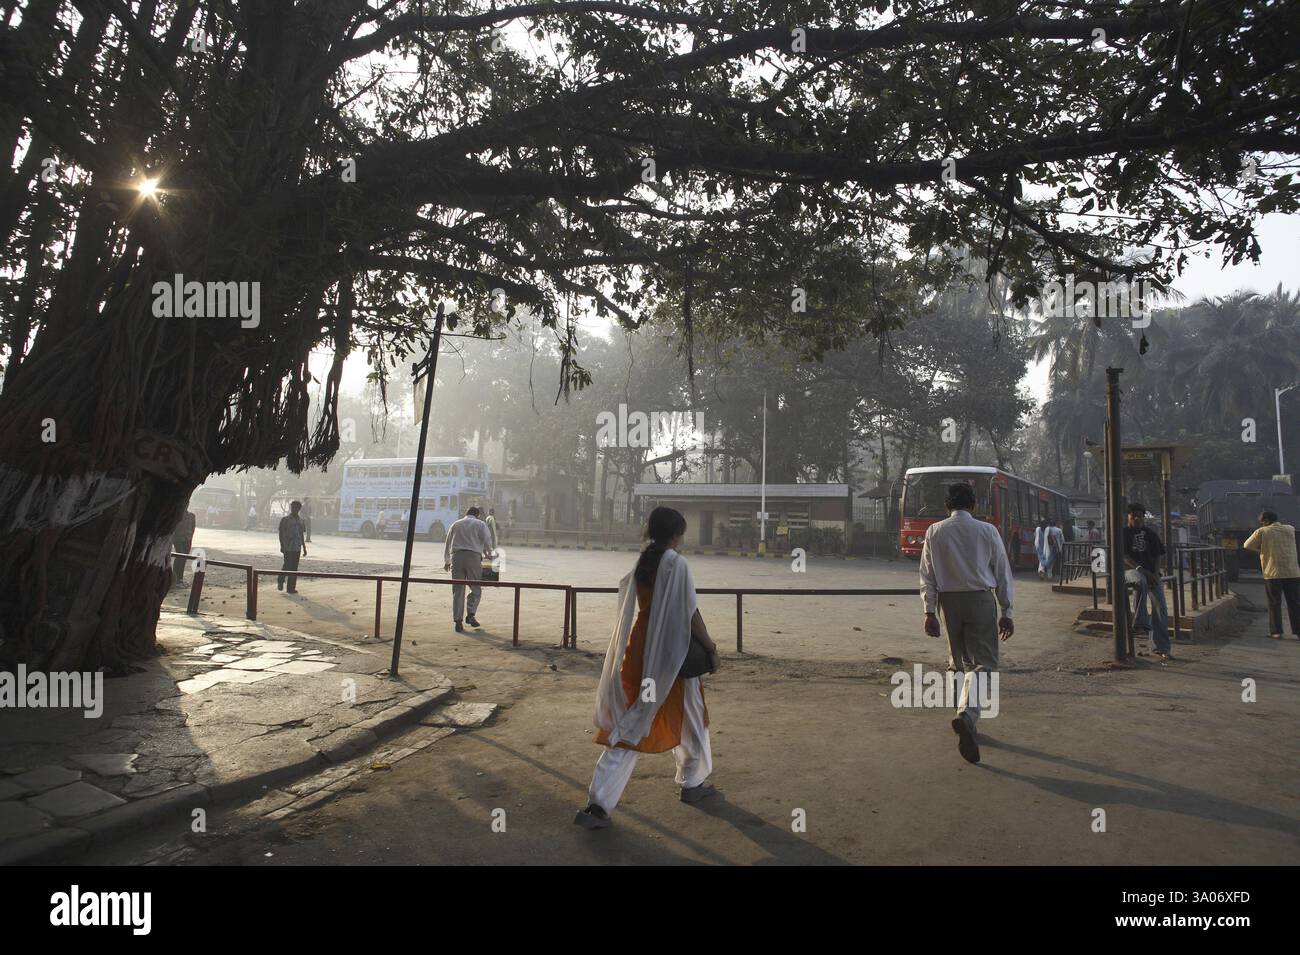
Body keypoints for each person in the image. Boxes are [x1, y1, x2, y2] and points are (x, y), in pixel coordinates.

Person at [575, 506, 721, 829]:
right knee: (693, 717)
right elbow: (690, 614)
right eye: (681, 533)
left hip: (641, 652)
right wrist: (710, 648)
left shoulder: (643, 562)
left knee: (634, 720)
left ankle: (598, 804)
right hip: (671, 653)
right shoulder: (677, 565)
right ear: (675, 535)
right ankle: (693, 782)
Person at [919, 482, 1014, 764]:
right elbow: (1002, 571)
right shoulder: (987, 531)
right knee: (983, 664)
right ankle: (968, 715)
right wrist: (1007, 610)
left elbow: (927, 574)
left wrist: (929, 611)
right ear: (973, 505)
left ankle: (961, 714)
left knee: (956, 662)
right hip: (980, 600)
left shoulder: (934, 531)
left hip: (949, 603)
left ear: (947, 505)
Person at [1123, 503, 1172, 660]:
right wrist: (1142, 571)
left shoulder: (1150, 533)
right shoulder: (1123, 533)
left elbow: (1158, 555)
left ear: (1143, 518)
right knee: (1140, 581)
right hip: (1130, 571)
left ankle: (1161, 647)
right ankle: (1140, 622)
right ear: (1128, 516)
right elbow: (1124, 557)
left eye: (1140, 516)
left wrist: (1155, 575)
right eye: (1133, 515)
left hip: (1151, 574)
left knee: (1161, 609)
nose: (1137, 518)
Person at [1243, 510, 1300, 640]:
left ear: (1266, 521)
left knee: (1274, 603)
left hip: (1273, 572)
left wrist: (1261, 551)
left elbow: (1247, 545)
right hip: (1292, 571)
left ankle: (1276, 632)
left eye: (1262, 522)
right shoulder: (1290, 529)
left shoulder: (1262, 531)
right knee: (1295, 602)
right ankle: (1298, 631)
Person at [444, 506, 493, 632]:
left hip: (456, 557)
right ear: (477, 515)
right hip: (473, 557)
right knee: (476, 587)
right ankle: (471, 614)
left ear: (466, 514)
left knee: (458, 590)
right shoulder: (480, 524)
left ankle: (458, 621)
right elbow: (487, 540)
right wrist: (489, 553)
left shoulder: (456, 524)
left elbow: (448, 542)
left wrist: (447, 560)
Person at [277, 500, 308, 593]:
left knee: (294, 568)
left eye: (295, 507)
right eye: (292, 507)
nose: (293, 509)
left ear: (299, 509)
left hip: (297, 547)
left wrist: (304, 547)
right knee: (287, 565)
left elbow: (301, 535)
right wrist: (282, 545)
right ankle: (281, 580)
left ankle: (291, 588)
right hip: (288, 546)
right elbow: (281, 533)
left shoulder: (301, 521)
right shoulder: (285, 520)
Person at [171, 510, 196, 587]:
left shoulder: (192, 515)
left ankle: (180, 579)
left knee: (184, 558)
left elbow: (193, 527)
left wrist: (190, 538)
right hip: (178, 538)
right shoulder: (177, 514)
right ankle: (175, 579)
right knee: (180, 556)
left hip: (187, 539)